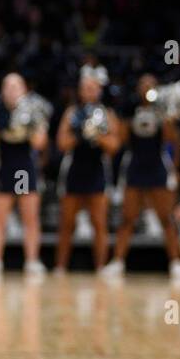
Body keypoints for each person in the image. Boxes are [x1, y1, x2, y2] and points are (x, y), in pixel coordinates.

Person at [110, 73, 180, 281]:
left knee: (166, 218)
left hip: (157, 167)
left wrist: (175, 168)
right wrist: (126, 119)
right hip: (135, 167)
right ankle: (117, 261)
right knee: (127, 218)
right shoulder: (131, 111)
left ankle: (176, 262)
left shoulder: (163, 112)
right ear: (138, 89)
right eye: (143, 85)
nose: (147, 89)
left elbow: (173, 140)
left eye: (151, 85)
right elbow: (122, 140)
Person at [0, 72, 49, 278]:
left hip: (23, 169)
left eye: (16, 87)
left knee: (30, 217)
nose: (11, 91)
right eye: (8, 87)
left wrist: (31, 125)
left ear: (24, 90)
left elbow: (40, 143)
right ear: (2, 91)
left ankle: (32, 261)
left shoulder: (33, 109)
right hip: (3, 167)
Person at [54, 69, 120, 273]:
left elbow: (114, 146)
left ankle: (101, 267)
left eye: (93, 88)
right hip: (74, 171)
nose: (89, 91)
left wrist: (97, 136)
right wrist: (79, 133)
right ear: (80, 91)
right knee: (67, 223)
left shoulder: (108, 114)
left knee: (99, 222)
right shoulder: (71, 113)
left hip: (97, 172)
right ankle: (60, 267)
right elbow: (61, 143)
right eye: (86, 88)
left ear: (99, 90)